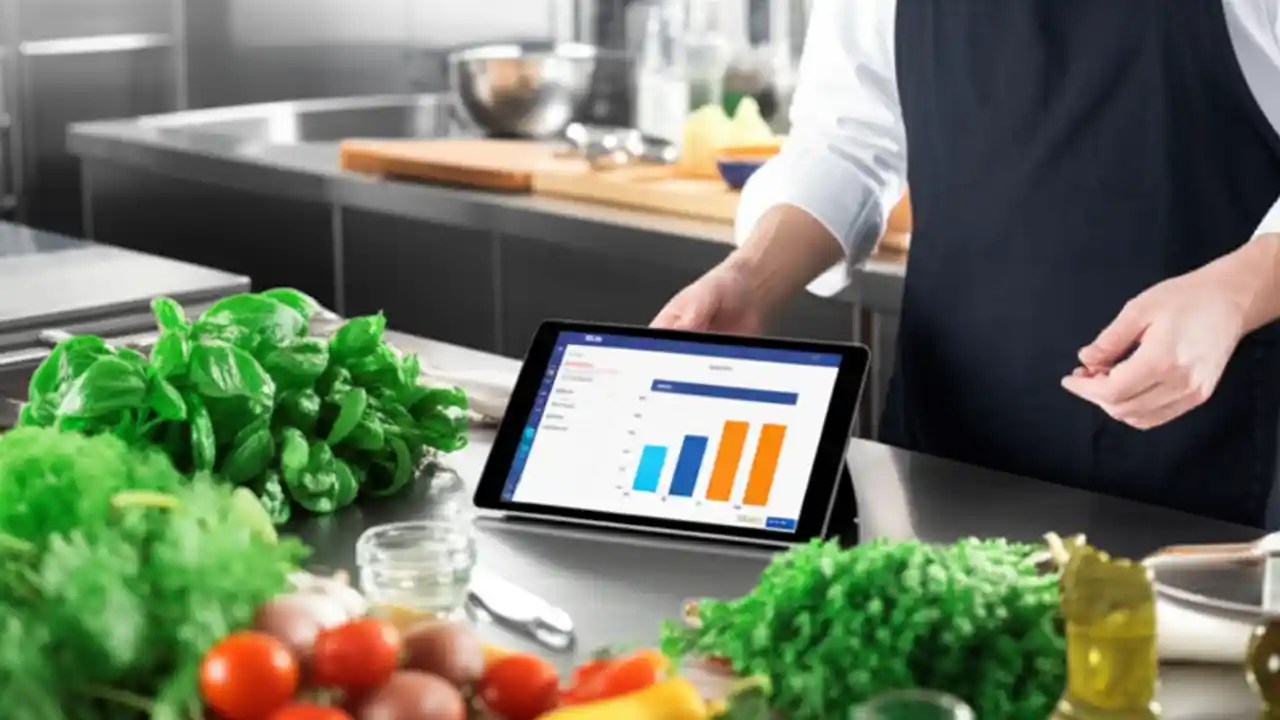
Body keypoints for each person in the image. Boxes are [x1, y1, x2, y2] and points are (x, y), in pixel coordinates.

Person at [654, 1, 1280, 527]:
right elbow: (847, 141)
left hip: (1213, 476)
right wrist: (753, 277)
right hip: (945, 457)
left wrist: (1232, 295)